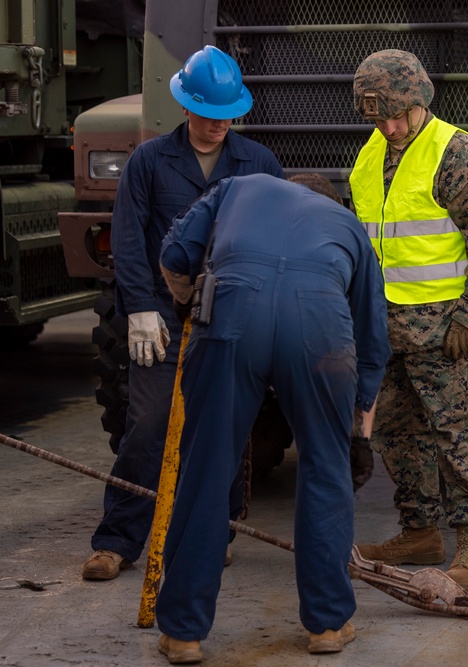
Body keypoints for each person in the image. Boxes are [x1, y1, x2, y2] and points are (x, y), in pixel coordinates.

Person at [154, 172, 390, 663]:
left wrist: (189, 302)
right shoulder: (351, 228)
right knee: (326, 471)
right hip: (319, 327)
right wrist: (357, 433)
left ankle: (183, 633)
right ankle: (328, 625)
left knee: (206, 470)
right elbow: (372, 342)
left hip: (233, 310)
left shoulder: (238, 187)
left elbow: (175, 255)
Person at [81, 45, 284, 581]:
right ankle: (118, 540)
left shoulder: (259, 164)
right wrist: (139, 310)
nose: (219, 125)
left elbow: (274, 242)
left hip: (231, 315)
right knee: (148, 424)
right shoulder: (149, 161)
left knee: (221, 427)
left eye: (227, 115)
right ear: (187, 106)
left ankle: (212, 534)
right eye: (209, 114)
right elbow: (128, 240)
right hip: (163, 316)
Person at [348, 49, 468, 589]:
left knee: (456, 434)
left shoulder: (455, 152)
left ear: (420, 100)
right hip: (384, 326)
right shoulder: (370, 154)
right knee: (395, 431)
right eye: (379, 118)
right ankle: (419, 532)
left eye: (398, 115)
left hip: (446, 329)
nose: (390, 128)